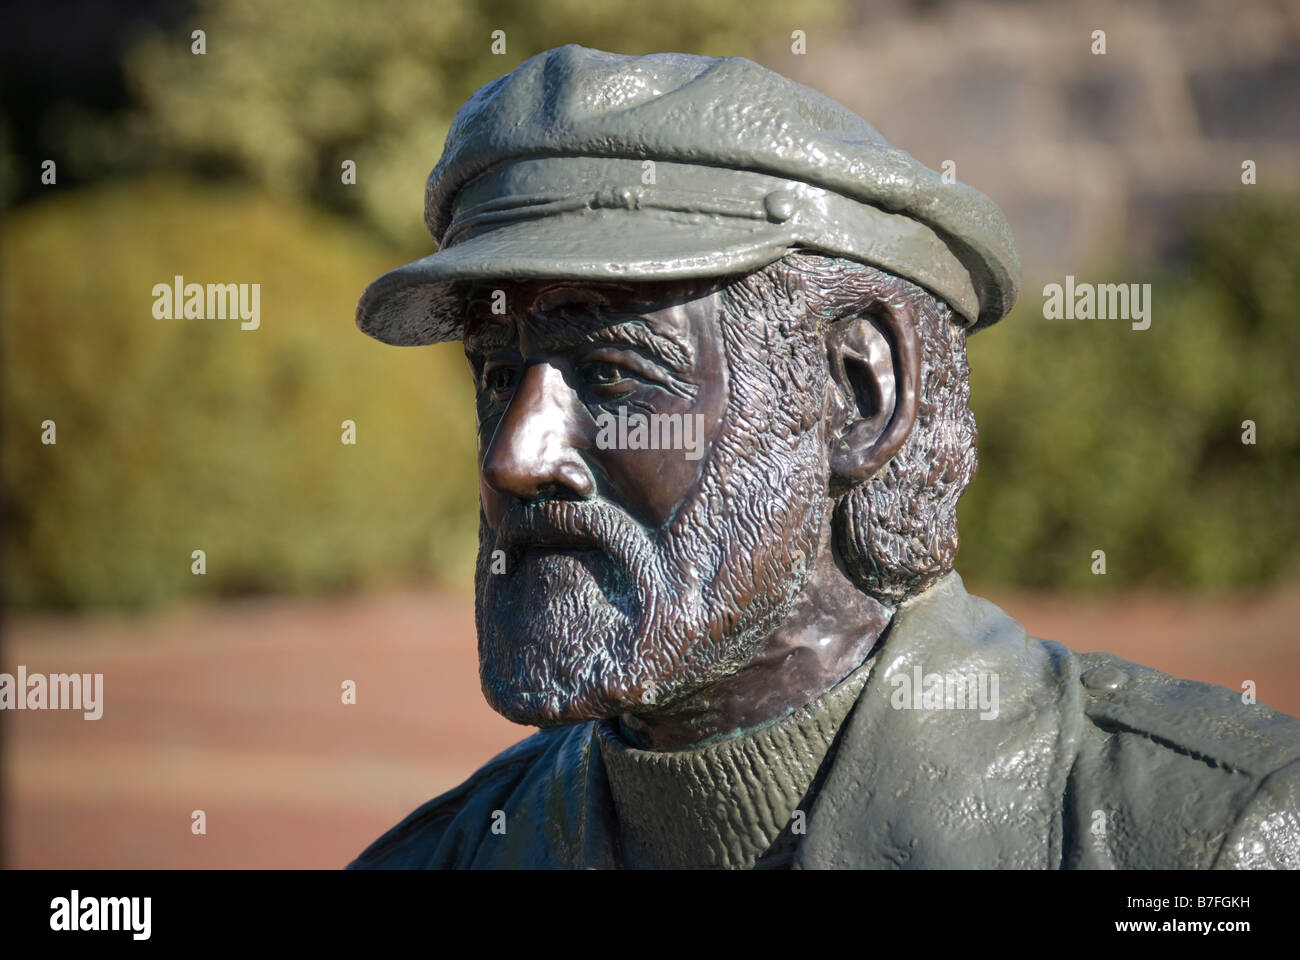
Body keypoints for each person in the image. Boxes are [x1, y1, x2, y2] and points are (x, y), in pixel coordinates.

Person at [349, 45, 1300, 869]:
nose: (517, 454)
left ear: (859, 395)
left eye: (612, 372)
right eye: (494, 378)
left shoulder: (1209, 838)